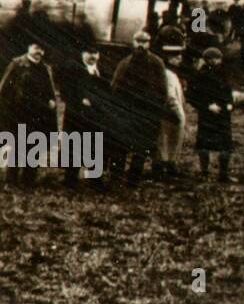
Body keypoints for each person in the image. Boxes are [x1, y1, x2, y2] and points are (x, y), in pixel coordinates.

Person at [111, 30, 169, 185]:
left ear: (149, 44)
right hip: (127, 111)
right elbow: (115, 87)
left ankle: (133, 178)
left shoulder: (157, 63)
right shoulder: (124, 63)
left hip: (147, 112)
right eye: (138, 41)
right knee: (121, 144)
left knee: (142, 146)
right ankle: (116, 176)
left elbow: (163, 90)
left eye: (144, 42)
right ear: (133, 42)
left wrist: (156, 110)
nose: (141, 45)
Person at [0, 41, 60, 185]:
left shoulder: (46, 68)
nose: (39, 51)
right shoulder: (17, 64)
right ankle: (12, 178)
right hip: (19, 112)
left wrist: (51, 100)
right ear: (29, 48)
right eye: (36, 48)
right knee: (18, 144)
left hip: (39, 113)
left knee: (35, 144)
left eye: (42, 49)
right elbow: (3, 89)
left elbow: (50, 89)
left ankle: (28, 179)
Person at [61, 42, 111, 187]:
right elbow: (65, 91)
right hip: (77, 115)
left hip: (96, 116)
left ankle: (94, 179)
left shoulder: (102, 72)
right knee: (74, 146)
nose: (92, 56)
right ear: (82, 54)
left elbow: (107, 93)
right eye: (88, 52)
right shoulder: (72, 69)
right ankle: (70, 179)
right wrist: (79, 100)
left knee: (96, 146)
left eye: (95, 53)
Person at [188, 47, 235, 182]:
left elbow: (228, 91)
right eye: (213, 59)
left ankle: (223, 174)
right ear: (207, 60)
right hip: (207, 115)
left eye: (218, 59)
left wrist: (230, 104)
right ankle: (204, 173)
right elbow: (192, 96)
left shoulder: (224, 73)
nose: (216, 62)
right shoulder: (200, 75)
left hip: (223, 114)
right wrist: (207, 106)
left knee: (225, 144)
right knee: (205, 144)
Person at [157, 37, 188, 180]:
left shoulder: (171, 73)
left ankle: (168, 165)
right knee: (168, 139)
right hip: (170, 113)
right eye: (177, 56)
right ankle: (166, 167)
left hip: (170, 112)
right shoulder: (168, 74)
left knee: (168, 140)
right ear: (169, 58)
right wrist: (179, 113)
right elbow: (170, 96)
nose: (180, 58)